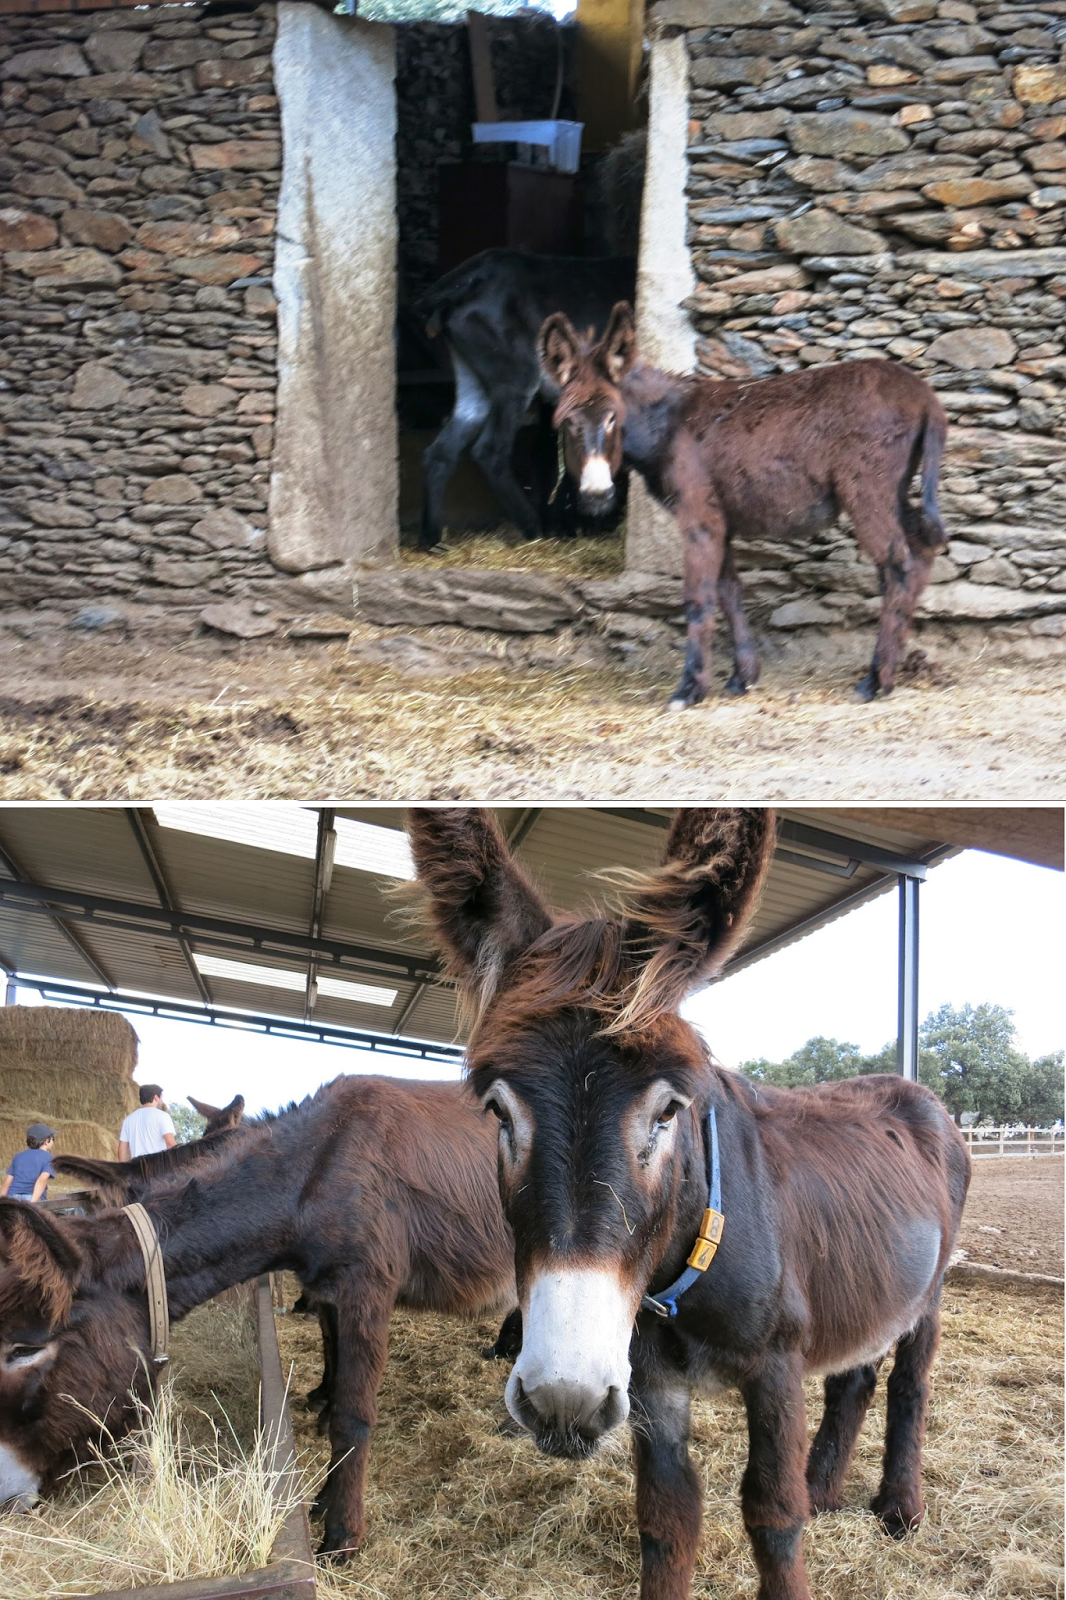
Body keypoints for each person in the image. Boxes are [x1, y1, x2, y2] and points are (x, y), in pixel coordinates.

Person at [118, 1084, 177, 1161]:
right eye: (161, 1098)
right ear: (156, 1097)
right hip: (157, 1165)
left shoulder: (128, 1120)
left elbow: (122, 1149)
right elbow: (170, 1143)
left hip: (136, 1166)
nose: (162, 1101)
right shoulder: (163, 1116)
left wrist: (124, 1167)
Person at [1, 1123, 56, 1203]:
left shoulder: (18, 1156)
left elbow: (7, 1182)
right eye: (53, 1138)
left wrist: (2, 1202)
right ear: (46, 1141)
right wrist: (32, 1204)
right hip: (31, 1197)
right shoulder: (50, 1158)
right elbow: (41, 1180)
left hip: (12, 1197)